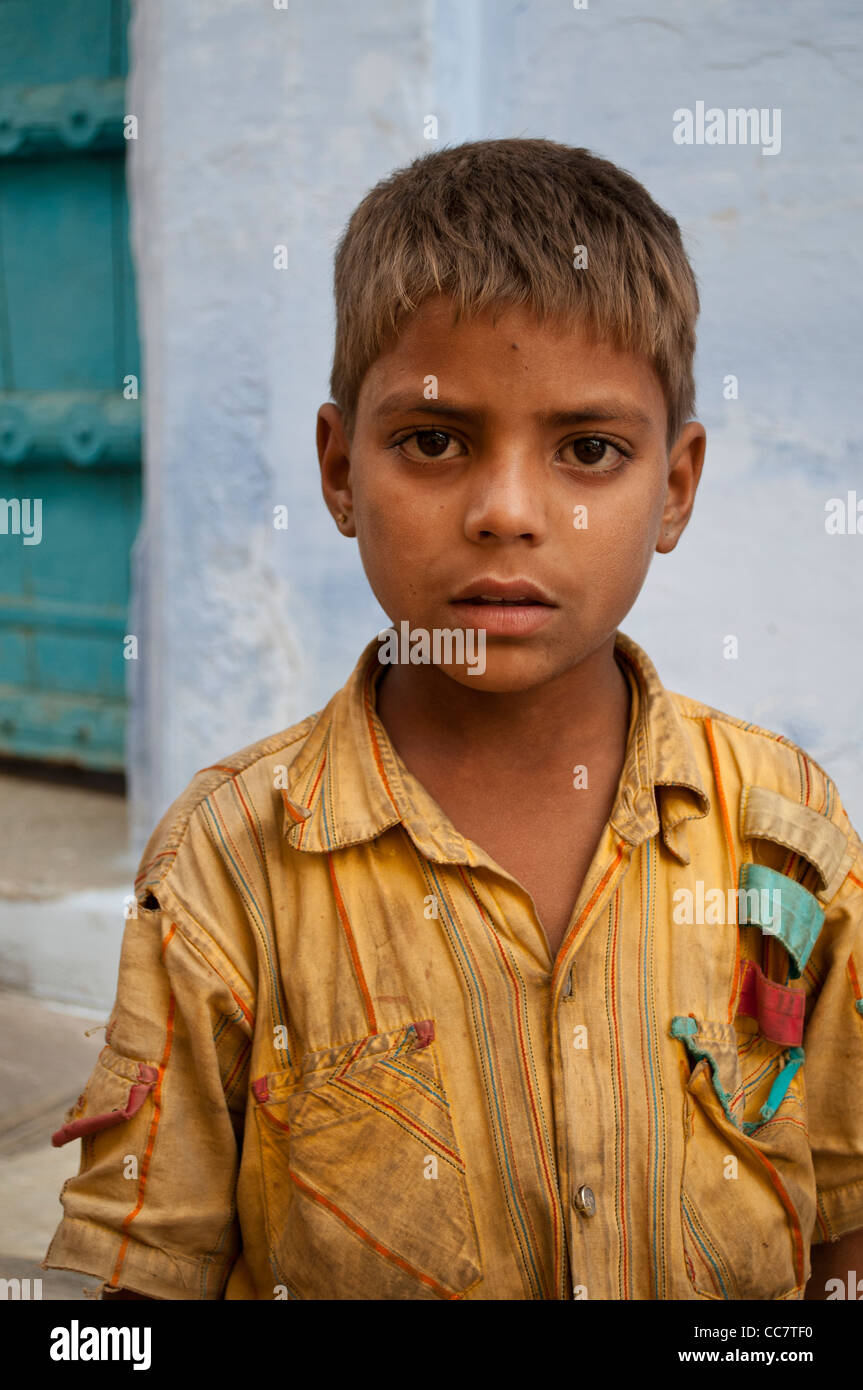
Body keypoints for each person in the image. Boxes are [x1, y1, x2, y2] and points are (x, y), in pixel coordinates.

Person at [43, 138, 863, 1300]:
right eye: (433, 441)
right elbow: (137, 1288)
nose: (505, 512)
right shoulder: (231, 865)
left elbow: (842, 1218)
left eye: (587, 450)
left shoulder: (782, 836)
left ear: (672, 486)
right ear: (339, 469)